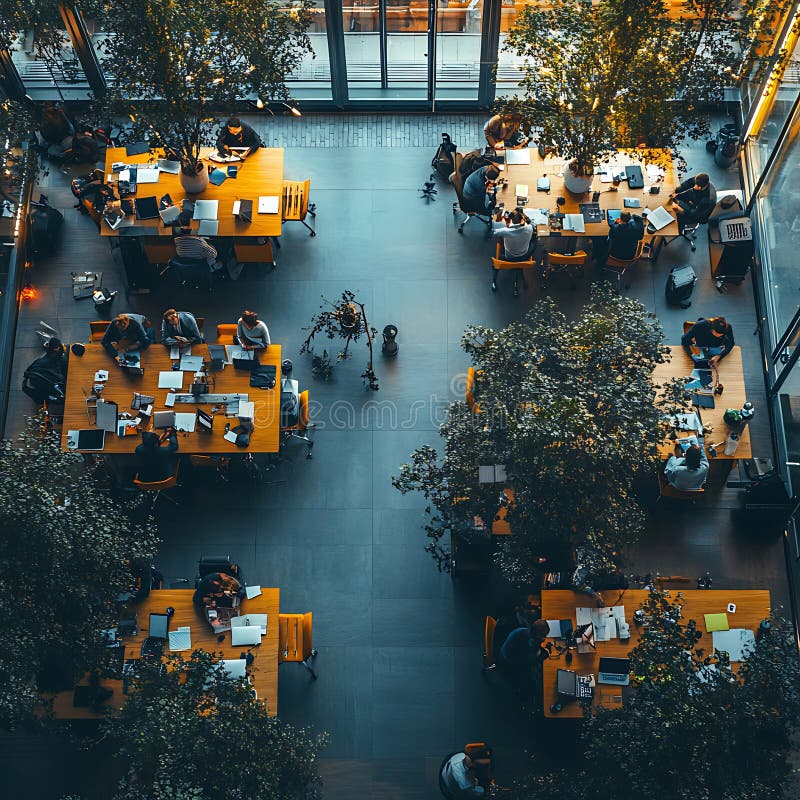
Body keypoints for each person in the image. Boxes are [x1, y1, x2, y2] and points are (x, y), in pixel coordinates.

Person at [492, 206, 536, 294]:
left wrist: (506, 225)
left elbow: (494, 233)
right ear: (522, 220)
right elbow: (533, 224)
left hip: (509, 257)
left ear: (511, 220)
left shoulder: (505, 231)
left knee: (500, 240)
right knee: (534, 240)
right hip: (524, 255)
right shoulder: (529, 228)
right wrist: (524, 216)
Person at [22, 338, 68, 403]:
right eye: (58, 347)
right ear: (56, 349)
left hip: (35, 375)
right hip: (45, 379)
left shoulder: (46, 356)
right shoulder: (54, 357)